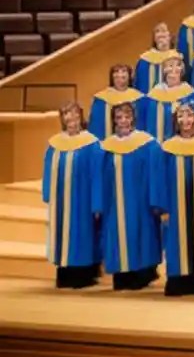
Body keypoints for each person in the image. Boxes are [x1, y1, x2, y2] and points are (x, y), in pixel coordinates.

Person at [149, 101, 194, 296]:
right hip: (175, 205)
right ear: (175, 120)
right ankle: (178, 279)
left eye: (189, 115)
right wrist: (161, 206)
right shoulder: (167, 148)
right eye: (181, 116)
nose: (185, 120)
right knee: (176, 241)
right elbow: (160, 179)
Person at [94, 102, 162, 291]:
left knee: (140, 235)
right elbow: (101, 178)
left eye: (127, 117)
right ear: (114, 121)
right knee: (117, 237)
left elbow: (155, 174)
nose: (123, 121)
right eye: (119, 117)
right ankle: (121, 274)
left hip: (140, 202)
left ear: (133, 118)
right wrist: (99, 204)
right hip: (115, 203)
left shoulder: (146, 144)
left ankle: (142, 274)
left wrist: (155, 202)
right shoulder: (107, 147)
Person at [43, 102, 102, 289]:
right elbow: (48, 171)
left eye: (74, 114)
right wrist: (48, 194)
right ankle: (64, 274)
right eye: (66, 114)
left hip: (82, 201)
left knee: (81, 235)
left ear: (80, 117)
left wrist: (97, 203)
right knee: (62, 236)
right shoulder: (55, 145)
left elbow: (97, 175)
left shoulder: (91, 144)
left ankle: (82, 276)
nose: (71, 118)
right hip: (60, 201)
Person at [139, 56, 194, 140]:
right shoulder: (155, 93)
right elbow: (149, 120)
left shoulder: (189, 92)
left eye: (178, 65)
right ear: (164, 70)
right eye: (170, 65)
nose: (174, 69)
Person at [89, 64, 143, 140]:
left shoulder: (139, 98)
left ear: (129, 76)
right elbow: (96, 126)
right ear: (112, 77)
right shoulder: (101, 99)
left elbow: (142, 123)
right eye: (116, 72)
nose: (120, 74)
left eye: (124, 71)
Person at [136, 23, 180, 93]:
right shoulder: (145, 60)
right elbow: (141, 85)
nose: (161, 34)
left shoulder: (178, 58)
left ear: (169, 36)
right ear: (154, 38)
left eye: (164, 30)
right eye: (157, 31)